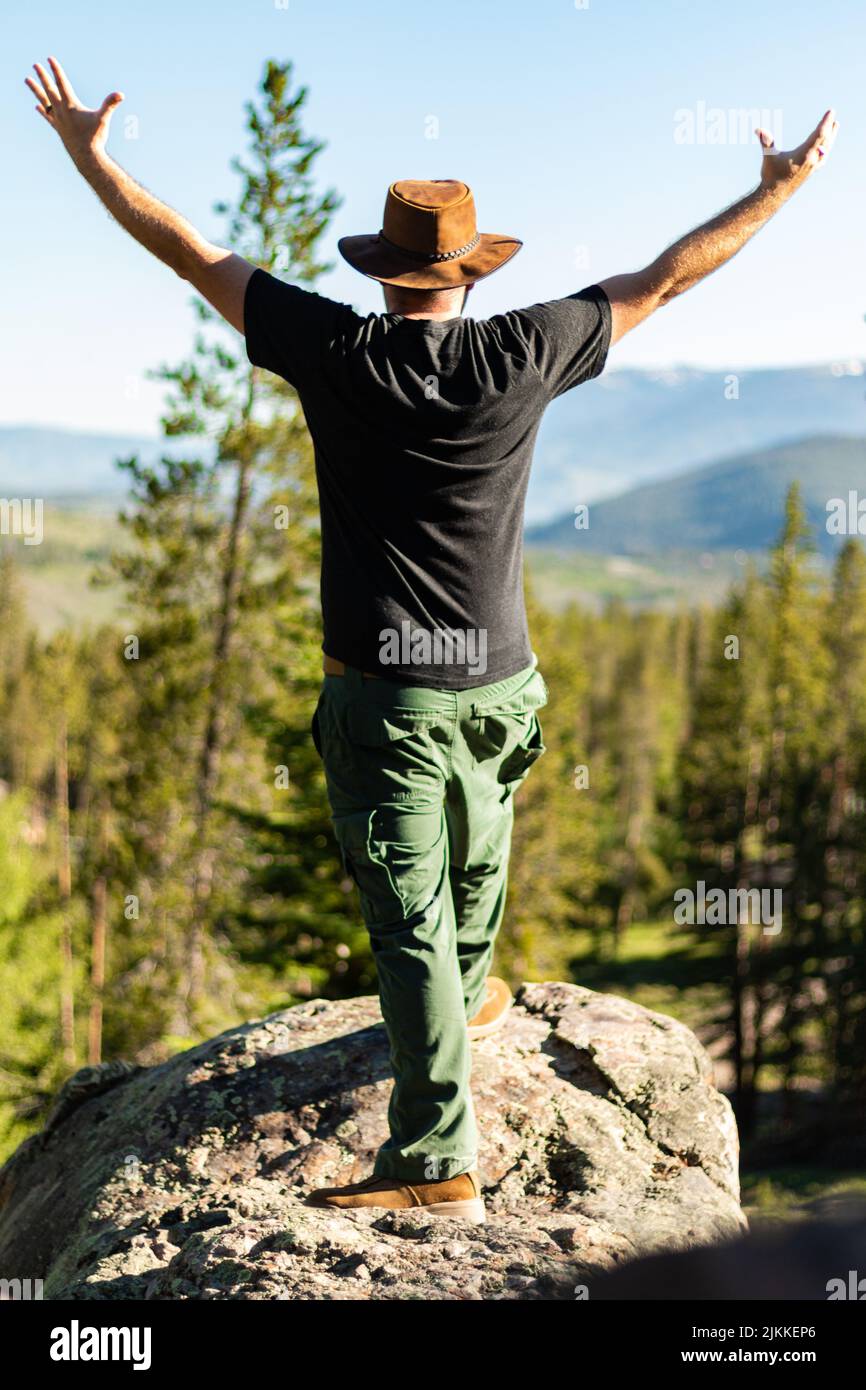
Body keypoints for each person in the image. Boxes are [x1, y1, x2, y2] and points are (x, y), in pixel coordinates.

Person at [26, 57, 838, 1224]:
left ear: (386, 270)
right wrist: (777, 189)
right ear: (465, 272)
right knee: (471, 874)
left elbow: (194, 254)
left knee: (406, 919)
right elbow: (665, 277)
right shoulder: (525, 350)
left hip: (388, 700)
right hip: (503, 685)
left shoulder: (335, 353)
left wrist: (88, 153)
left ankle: (433, 1157)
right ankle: (472, 996)